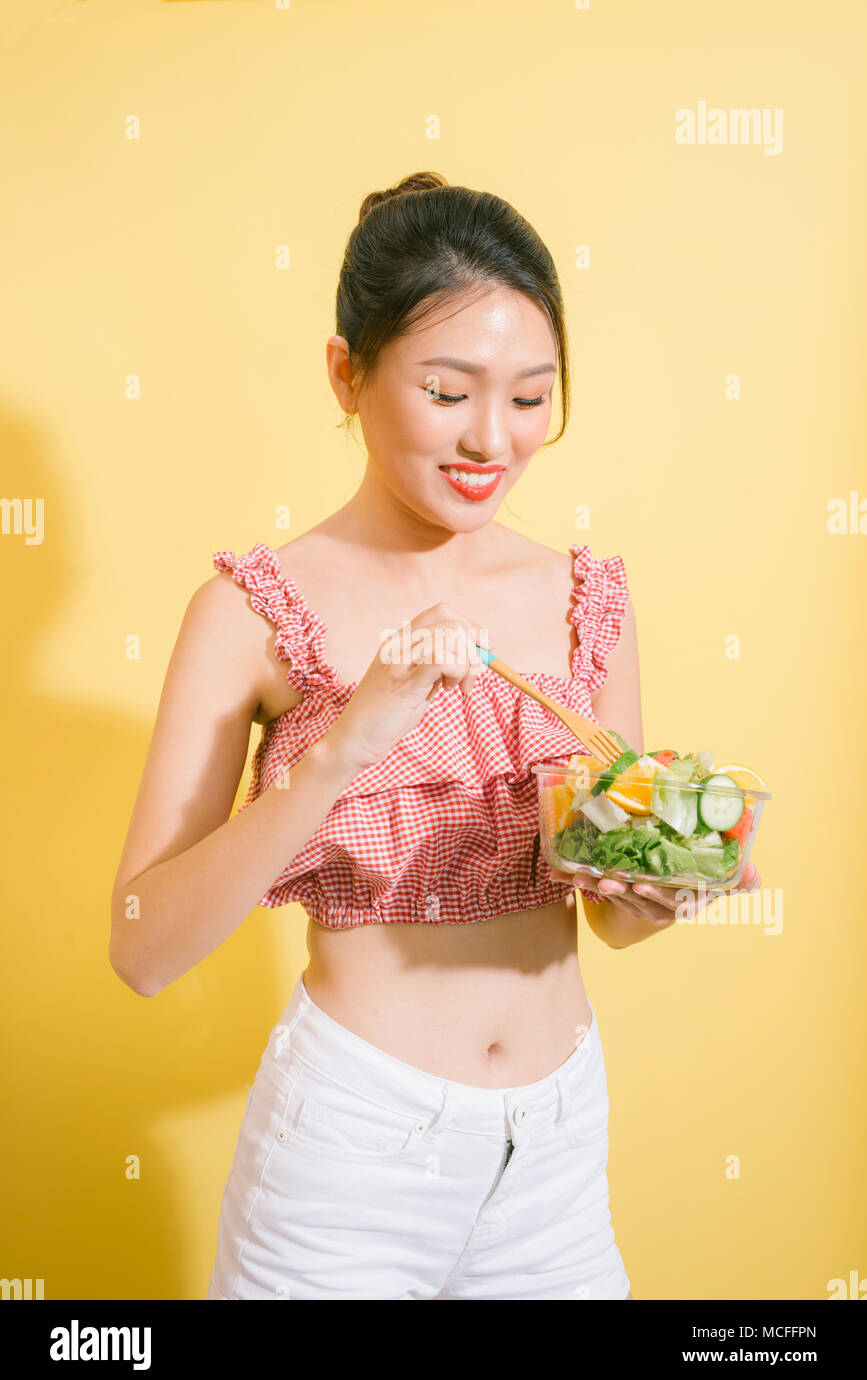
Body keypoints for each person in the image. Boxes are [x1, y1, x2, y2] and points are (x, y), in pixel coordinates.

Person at [109, 172, 760, 1300]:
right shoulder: (252, 611)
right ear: (346, 373)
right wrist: (347, 744)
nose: (490, 440)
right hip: (351, 1159)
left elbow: (605, 914)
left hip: (555, 1153)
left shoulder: (584, 596)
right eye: (448, 390)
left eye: (529, 397)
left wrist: (657, 894)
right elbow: (143, 947)